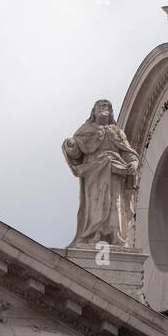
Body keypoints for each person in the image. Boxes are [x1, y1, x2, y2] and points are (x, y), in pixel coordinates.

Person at [62, 99, 139, 248]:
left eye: (107, 107)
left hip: (114, 170)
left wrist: (134, 162)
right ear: (94, 112)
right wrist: (70, 145)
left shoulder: (117, 132)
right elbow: (77, 149)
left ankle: (115, 234)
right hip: (94, 171)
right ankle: (94, 233)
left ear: (111, 113)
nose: (104, 109)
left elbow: (127, 152)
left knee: (115, 201)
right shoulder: (86, 129)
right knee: (95, 202)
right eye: (101, 107)